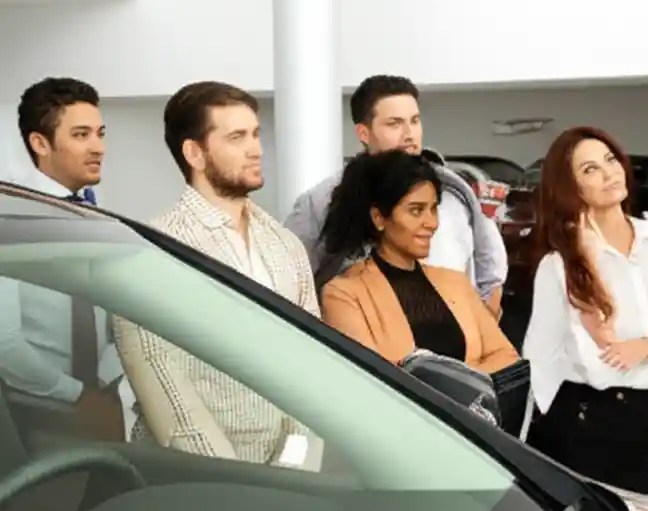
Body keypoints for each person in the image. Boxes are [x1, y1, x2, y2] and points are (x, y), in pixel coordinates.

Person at [112, 81, 317, 465]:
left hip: (292, 476)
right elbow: (167, 392)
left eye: (256, 134)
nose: (256, 148)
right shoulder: (153, 252)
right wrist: (238, 484)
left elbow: (313, 361)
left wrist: (295, 459)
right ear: (195, 153)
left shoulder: (285, 245)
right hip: (193, 482)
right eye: (237, 137)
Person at [522, 126, 648, 495]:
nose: (609, 172)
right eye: (590, 169)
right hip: (576, 417)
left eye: (610, 160)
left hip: (640, 417)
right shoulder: (561, 264)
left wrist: (647, 346)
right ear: (572, 187)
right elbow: (573, 361)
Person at [283, 75, 506, 314]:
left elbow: (490, 270)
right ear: (364, 133)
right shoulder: (322, 201)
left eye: (415, 121)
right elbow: (290, 283)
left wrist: (479, 328)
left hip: (456, 336)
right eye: (395, 123)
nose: (409, 134)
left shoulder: (455, 189)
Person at [0, 77, 126, 442]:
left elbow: (109, 309)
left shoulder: (94, 212)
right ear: (40, 143)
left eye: (100, 133)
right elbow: (5, 343)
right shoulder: (13, 218)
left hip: (103, 399)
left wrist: (108, 388)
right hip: (37, 409)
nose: (98, 147)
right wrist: (78, 397)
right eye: (81, 135)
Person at [319, 149, 519, 374]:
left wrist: (452, 381)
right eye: (416, 211)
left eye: (434, 209)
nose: (431, 223)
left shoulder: (456, 282)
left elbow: (508, 358)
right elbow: (371, 382)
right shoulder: (344, 294)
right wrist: (469, 378)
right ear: (379, 218)